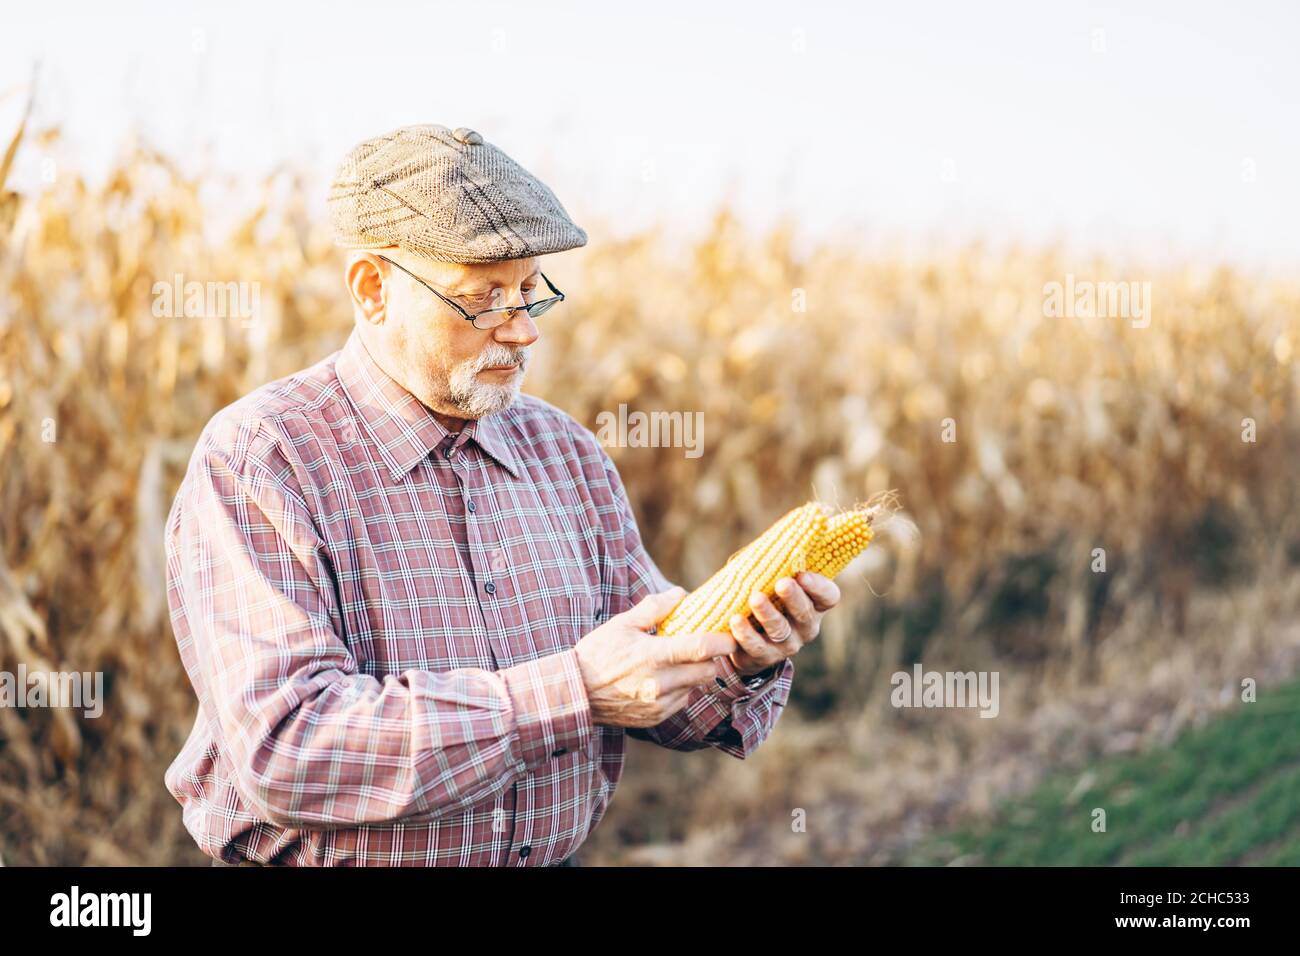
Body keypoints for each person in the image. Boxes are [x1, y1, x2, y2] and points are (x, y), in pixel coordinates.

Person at [164, 124, 842, 866]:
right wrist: (571, 692)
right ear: (372, 289)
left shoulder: (565, 453)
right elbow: (289, 748)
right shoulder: (264, 459)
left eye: (529, 291)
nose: (522, 332)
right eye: (483, 298)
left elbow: (644, 676)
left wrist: (736, 656)